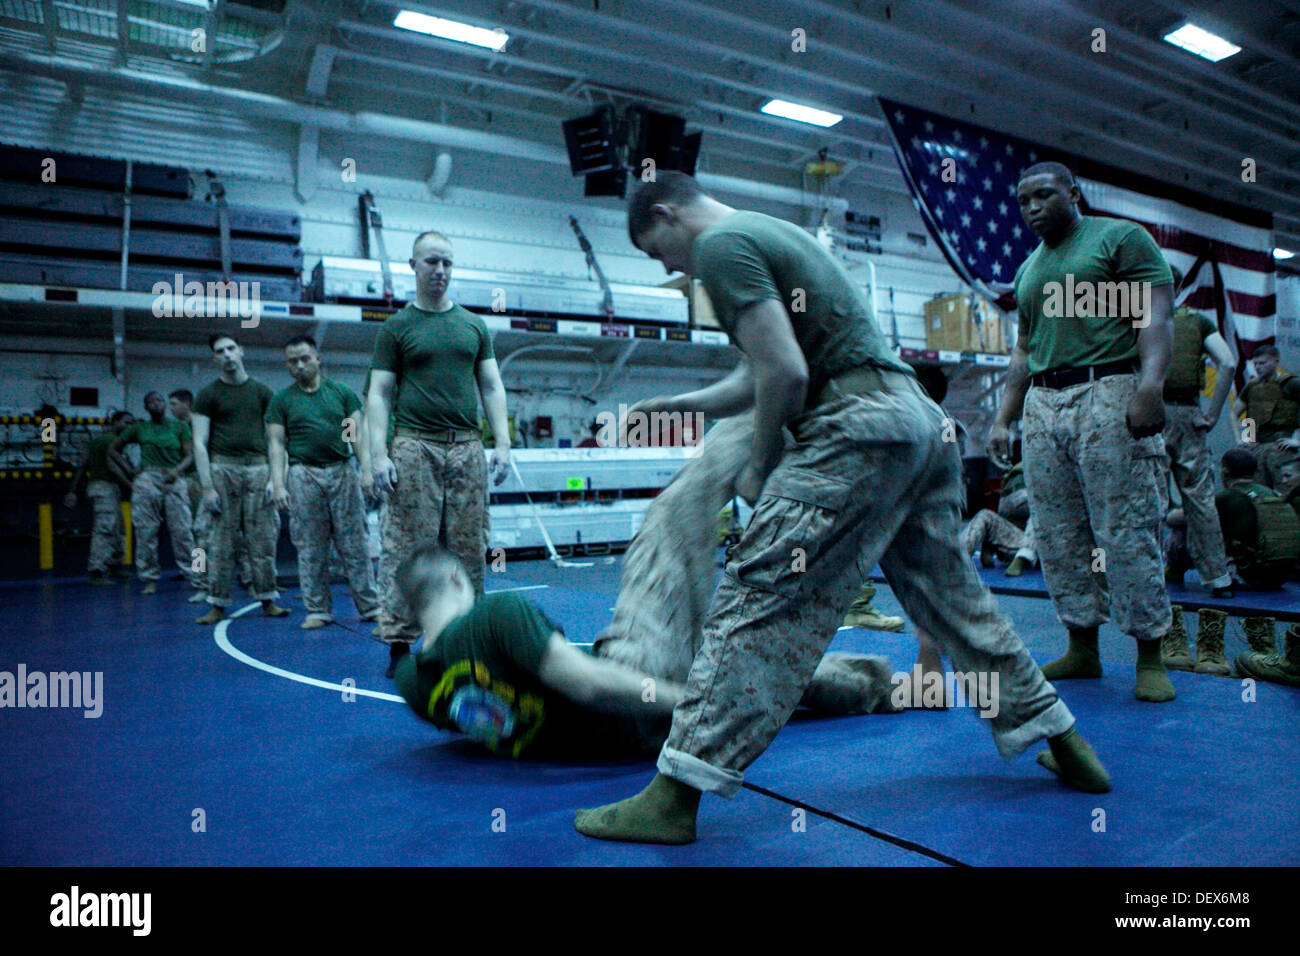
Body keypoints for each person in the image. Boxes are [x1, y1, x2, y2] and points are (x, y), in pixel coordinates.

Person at [574, 172, 1109, 846]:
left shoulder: (719, 246)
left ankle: (674, 794)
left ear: (666, 213)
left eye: (659, 253)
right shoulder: (774, 231)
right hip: (915, 425)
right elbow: (764, 367)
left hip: (856, 430)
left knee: (758, 597)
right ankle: (1060, 738)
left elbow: (787, 377)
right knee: (956, 603)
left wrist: (761, 466)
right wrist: (684, 406)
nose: (672, 269)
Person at [394, 543, 902, 761]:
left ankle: (880, 686)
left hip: (618, 747)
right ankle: (887, 685)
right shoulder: (496, 614)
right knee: (665, 533)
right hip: (632, 706)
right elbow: (588, 684)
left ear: (415, 606)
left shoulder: (415, 687)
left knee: (753, 672)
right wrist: (696, 702)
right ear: (459, 576)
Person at [989, 161, 1177, 703]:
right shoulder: (1028, 270)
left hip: (1109, 389)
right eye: (1023, 200)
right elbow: (1023, 350)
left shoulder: (1119, 238)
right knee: (1057, 531)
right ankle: (1082, 646)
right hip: (1045, 402)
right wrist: (1004, 416)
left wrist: (1151, 386)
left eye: (1043, 195)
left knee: (1125, 525)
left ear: (1073, 193)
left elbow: (1156, 316)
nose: (1032, 208)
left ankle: (1149, 653)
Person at [367, 231, 512, 677]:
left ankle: (464, 636)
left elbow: (491, 385)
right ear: (413, 265)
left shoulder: (473, 326)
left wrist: (502, 442)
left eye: (447, 263)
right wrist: (377, 453)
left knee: (469, 548)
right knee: (408, 546)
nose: (441, 271)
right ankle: (398, 643)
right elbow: (380, 392)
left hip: (467, 447)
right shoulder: (397, 327)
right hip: (414, 446)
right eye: (431, 262)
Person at [267, 335, 380, 630]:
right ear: (287, 366)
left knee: (354, 542)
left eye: (305, 358)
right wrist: (278, 484)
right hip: (303, 474)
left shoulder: (341, 394)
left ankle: (370, 606)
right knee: (310, 546)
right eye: (293, 361)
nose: (300, 365)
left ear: (318, 359)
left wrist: (366, 471)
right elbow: (277, 444)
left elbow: (353, 437)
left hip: (342, 472)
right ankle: (317, 609)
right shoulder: (282, 401)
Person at [191, 333, 288, 624]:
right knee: (220, 542)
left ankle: (268, 600)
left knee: (263, 541)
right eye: (221, 351)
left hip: (258, 469)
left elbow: (277, 442)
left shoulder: (262, 392)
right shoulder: (208, 394)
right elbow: (199, 442)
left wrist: (276, 479)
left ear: (241, 351)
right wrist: (207, 487)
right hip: (223, 470)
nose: (227, 355)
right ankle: (217, 604)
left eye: (232, 348)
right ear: (215, 358)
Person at [1160, 265, 1235, 596]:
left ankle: (1146, 578)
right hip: (1189, 415)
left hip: (1148, 417)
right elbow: (1229, 364)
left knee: (1147, 500)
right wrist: (1214, 414)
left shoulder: (1134, 323)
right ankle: (1217, 577)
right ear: (1178, 288)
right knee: (1201, 500)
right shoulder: (1198, 322)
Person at [112, 392, 203, 596]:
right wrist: (130, 469)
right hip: (148, 477)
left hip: (174, 478)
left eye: (159, 400)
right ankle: (149, 578)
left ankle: (200, 576)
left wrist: (177, 470)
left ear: (164, 405)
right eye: (150, 401)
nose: (155, 404)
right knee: (145, 531)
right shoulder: (139, 428)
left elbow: (190, 455)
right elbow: (113, 449)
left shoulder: (179, 427)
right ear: (145, 407)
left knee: (185, 530)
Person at [63, 411, 134, 585]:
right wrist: (131, 483)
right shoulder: (112, 441)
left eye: (131, 424)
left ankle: (114, 566)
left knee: (118, 529)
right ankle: (97, 572)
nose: (129, 427)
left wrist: (72, 491)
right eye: (126, 423)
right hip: (104, 487)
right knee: (105, 529)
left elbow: (82, 465)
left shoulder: (96, 440)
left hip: (104, 488)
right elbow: (114, 468)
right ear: (115, 422)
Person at [1233, 345, 1300, 491]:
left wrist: (1298, 441)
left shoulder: (1290, 383)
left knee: (1288, 492)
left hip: (1282, 448)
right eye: (1255, 363)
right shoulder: (1252, 386)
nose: (1258, 367)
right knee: (1258, 495)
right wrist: (1244, 439)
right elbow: (1237, 414)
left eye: (1263, 363)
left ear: (1276, 361)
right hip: (1257, 450)